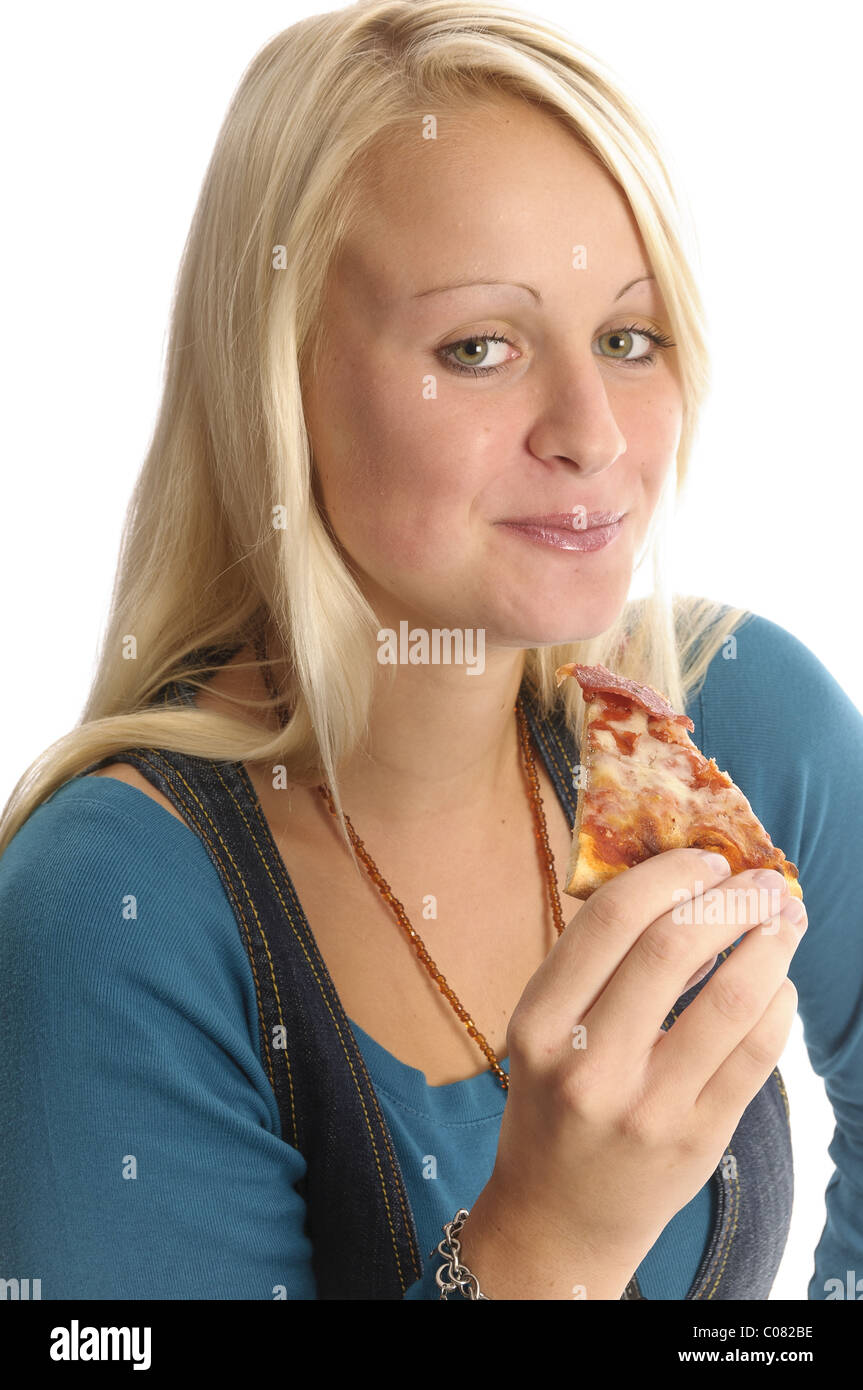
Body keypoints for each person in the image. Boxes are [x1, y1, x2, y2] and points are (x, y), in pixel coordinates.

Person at [1, 0, 861, 1301]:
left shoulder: (731, 712)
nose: (592, 432)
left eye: (628, 337)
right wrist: (540, 1247)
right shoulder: (104, 918)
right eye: (481, 347)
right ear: (274, 386)